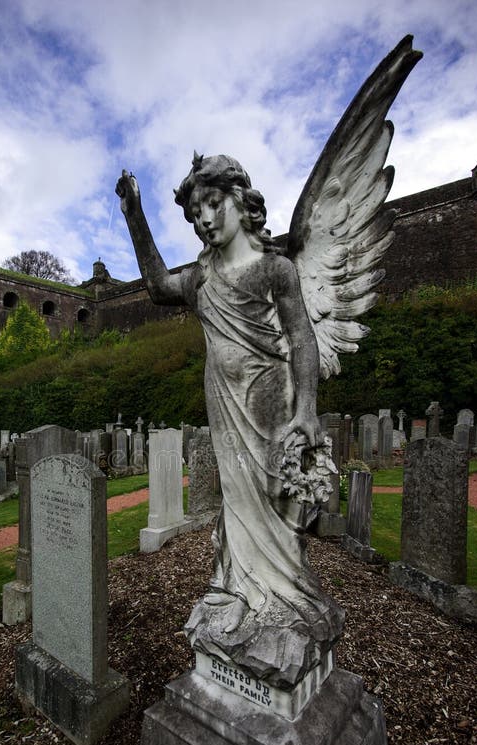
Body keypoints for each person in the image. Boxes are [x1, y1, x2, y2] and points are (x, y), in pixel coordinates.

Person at [116, 154, 342, 651]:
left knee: (274, 502)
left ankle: (284, 598)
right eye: (197, 214)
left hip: (268, 403)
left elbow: (302, 339)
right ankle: (240, 589)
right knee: (236, 503)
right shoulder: (200, 280)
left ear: (240, 200)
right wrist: (135, 213)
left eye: (213, 204)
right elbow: (156, 286)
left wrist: (307, 409)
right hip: (222, 402)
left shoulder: (274, 269)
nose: (205, 219)